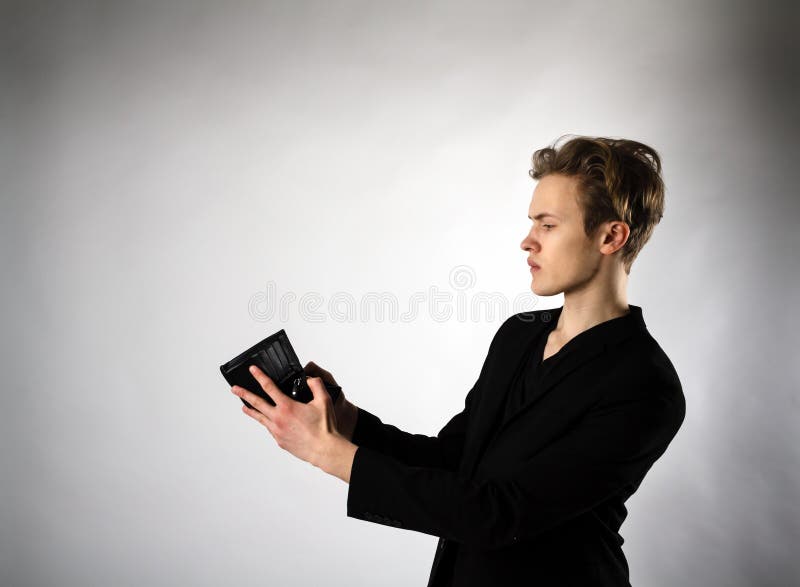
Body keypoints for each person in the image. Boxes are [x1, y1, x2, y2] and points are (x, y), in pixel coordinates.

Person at [231, 135, 686, 586]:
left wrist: (326, 452)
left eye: (547, 225)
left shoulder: (646, 386)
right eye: (531, 224)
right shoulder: (519, 333)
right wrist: (345, 421)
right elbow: (456, 462)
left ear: (611, 235)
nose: (527, 242)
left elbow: (499, 513)